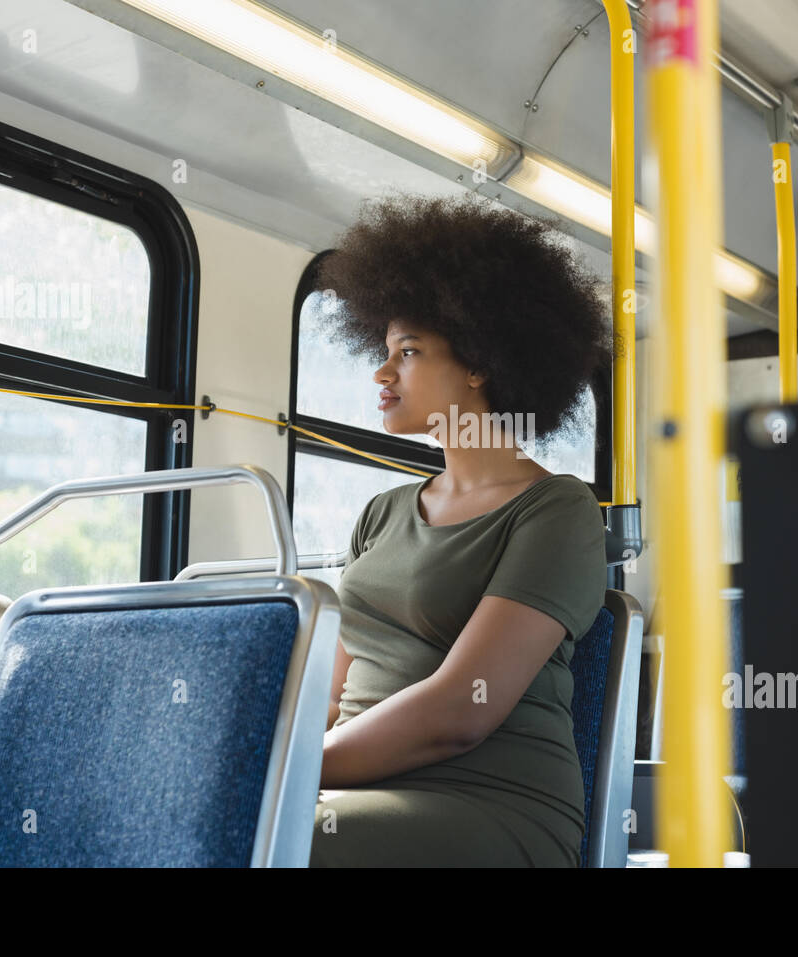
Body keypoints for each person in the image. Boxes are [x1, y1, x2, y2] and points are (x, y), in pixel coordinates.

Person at [309, 193, 611, 867]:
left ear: (479, 360)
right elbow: (332, 692)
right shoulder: (380, 514)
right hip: (356, 782)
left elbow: (461, 711)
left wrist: (303, 772)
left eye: (408, 351)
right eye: (383, 351)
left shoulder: (555, 510)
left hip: (488, 800)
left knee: (278, 842)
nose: (382, 373)